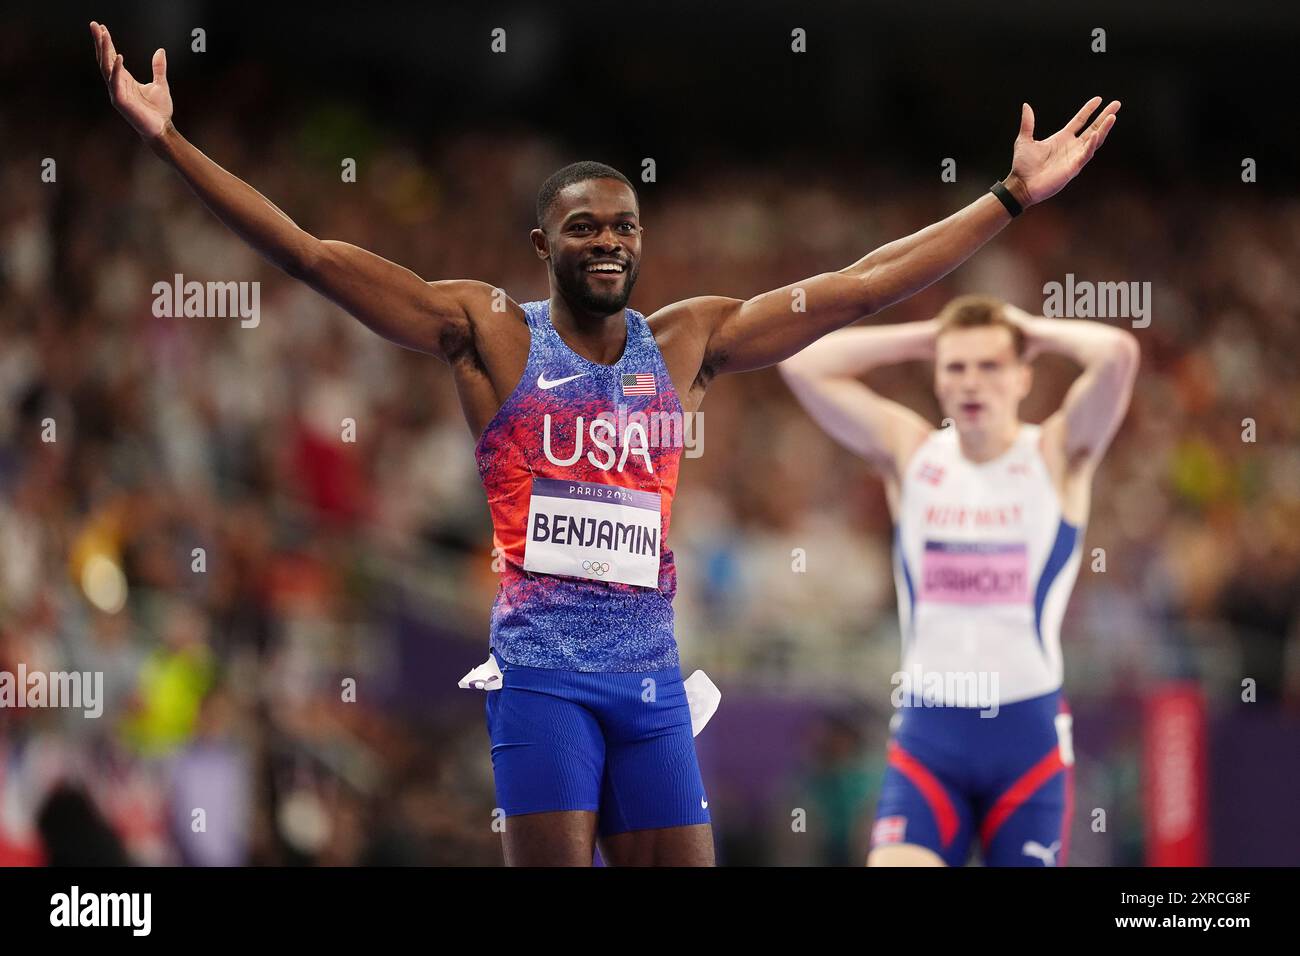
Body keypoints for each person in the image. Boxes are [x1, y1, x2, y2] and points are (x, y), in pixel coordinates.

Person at [89, 20, 1119, 866]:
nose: (610, 242)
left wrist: (1009, 196)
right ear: (543, 245)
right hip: (541, 676)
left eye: (624, 226)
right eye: (584, 227)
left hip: (650, 680)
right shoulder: (488, 333)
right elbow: (311, 254)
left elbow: (859, 284)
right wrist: (170, 142)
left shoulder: (687, 340)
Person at [779, 296, 1138, 865]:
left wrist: (1029, 331)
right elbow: (800, 363)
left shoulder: (1056, 453)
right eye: (956, 367)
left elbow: (1117, 353)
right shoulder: (912, 452)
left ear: (1024, 376)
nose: (972, 382)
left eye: (990, 365)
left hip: (1027, 745)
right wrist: (927, 337)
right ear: (938, 380)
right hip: (930, 739)